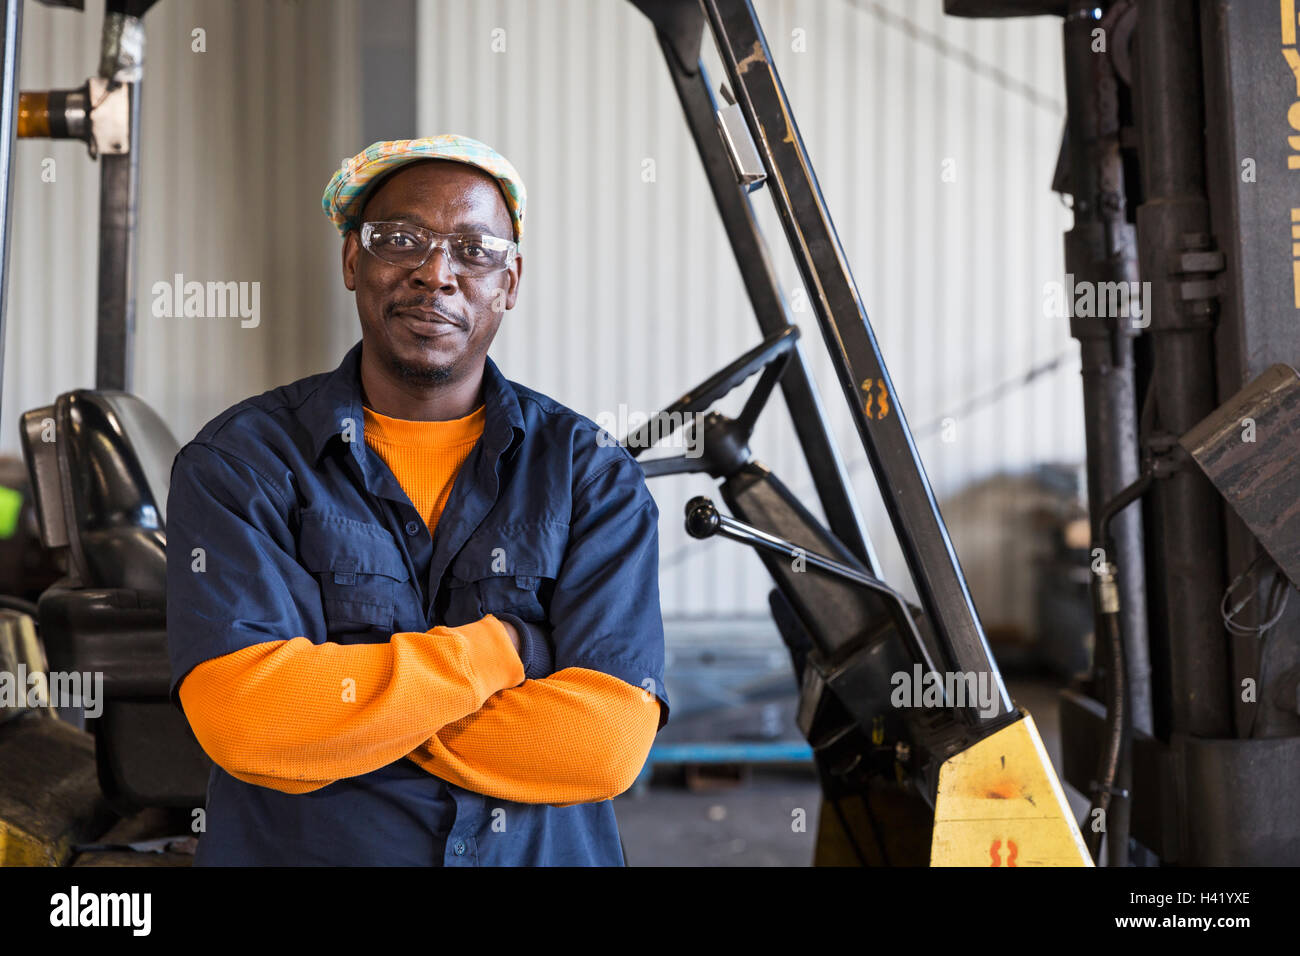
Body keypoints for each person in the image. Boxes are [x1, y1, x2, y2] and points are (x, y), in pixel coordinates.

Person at [165, 134, 669, 866]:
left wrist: (342, 716)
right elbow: (250, 722)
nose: (437, 273)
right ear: (351, 261)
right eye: (401, 240)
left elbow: (603, 749)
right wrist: (507, 649)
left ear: (510, 282)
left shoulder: (591, 475)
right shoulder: (241, 465)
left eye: (474, 249)